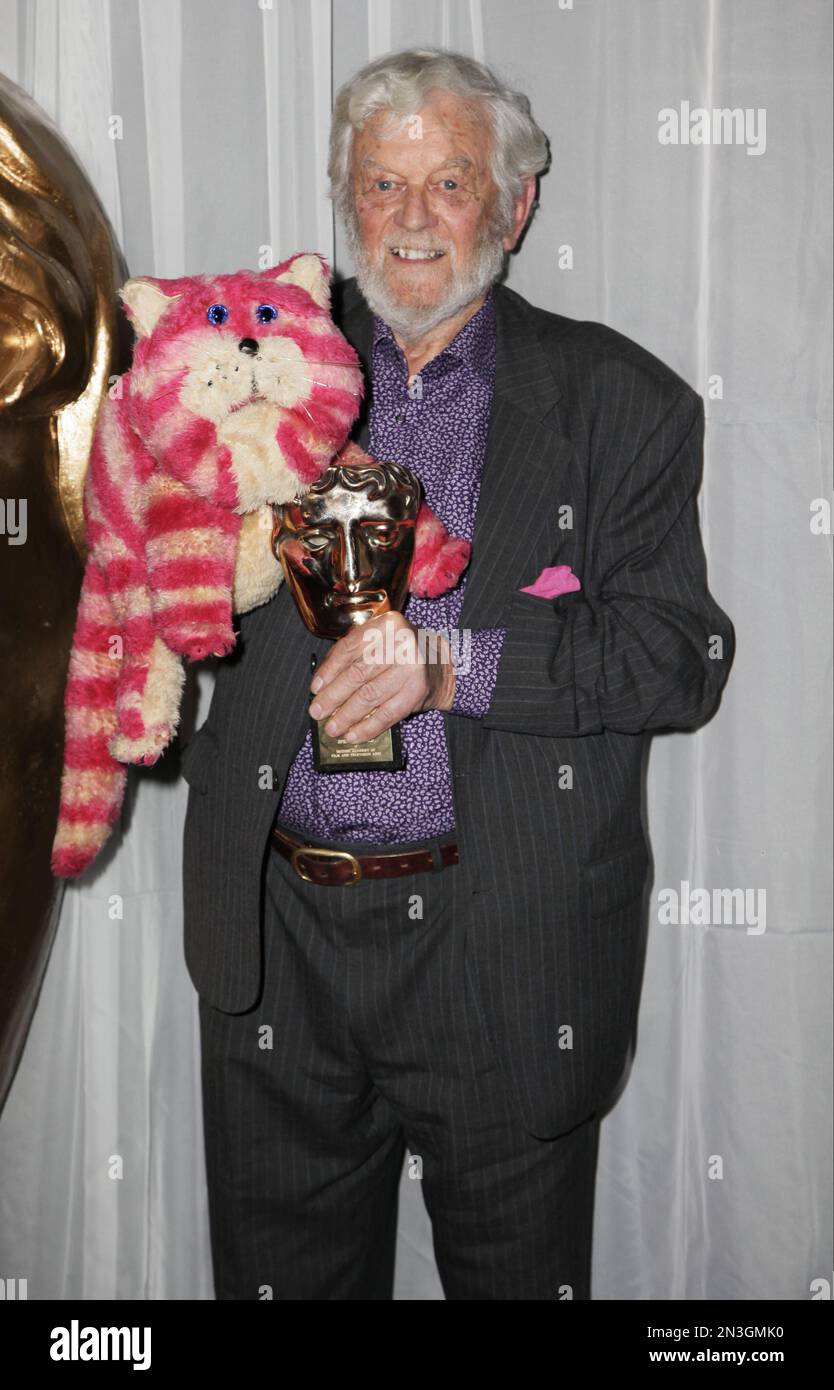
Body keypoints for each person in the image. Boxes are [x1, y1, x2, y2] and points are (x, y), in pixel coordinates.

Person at [182, 46, 735, 1301]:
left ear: (515, 203)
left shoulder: (621, 402)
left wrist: (451, 666)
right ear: (346, 200)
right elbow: (172, 589)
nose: (414, 220)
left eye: (450, 182)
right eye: (382, 185)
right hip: (279, 942)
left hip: (505, 945)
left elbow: (678, 656)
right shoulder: (262, 376)